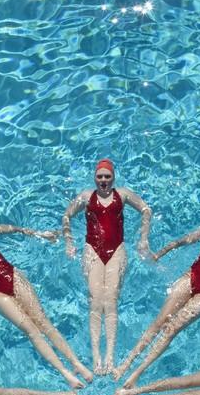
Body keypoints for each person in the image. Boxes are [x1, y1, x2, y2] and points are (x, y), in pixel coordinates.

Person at [0, 214, 93, 389]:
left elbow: (13, 229)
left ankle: (76, 364)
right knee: (32, 331)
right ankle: (66, 373)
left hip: (15, 278)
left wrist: (40, 234)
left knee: (44, 323)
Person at [113, 205, 200, 387]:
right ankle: (126, 363)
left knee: (171, 330)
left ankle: (136, 373)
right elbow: (182, 242)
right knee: (160, 322)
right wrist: (159, 254)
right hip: (190, 279)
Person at [62, 159, 153, 374]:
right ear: (95, 177)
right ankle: (96, 357)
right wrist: (69, 240)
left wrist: (143, 238)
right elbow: (66, 215)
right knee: (95, 300)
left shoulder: (122, 195)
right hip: (91, 250)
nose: (103, 181)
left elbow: (146, 210)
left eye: (107, 176)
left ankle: (110, 356)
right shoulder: (85, 197)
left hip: (117, 250)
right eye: (100, 176)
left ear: (113, 177)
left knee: (110, 300)